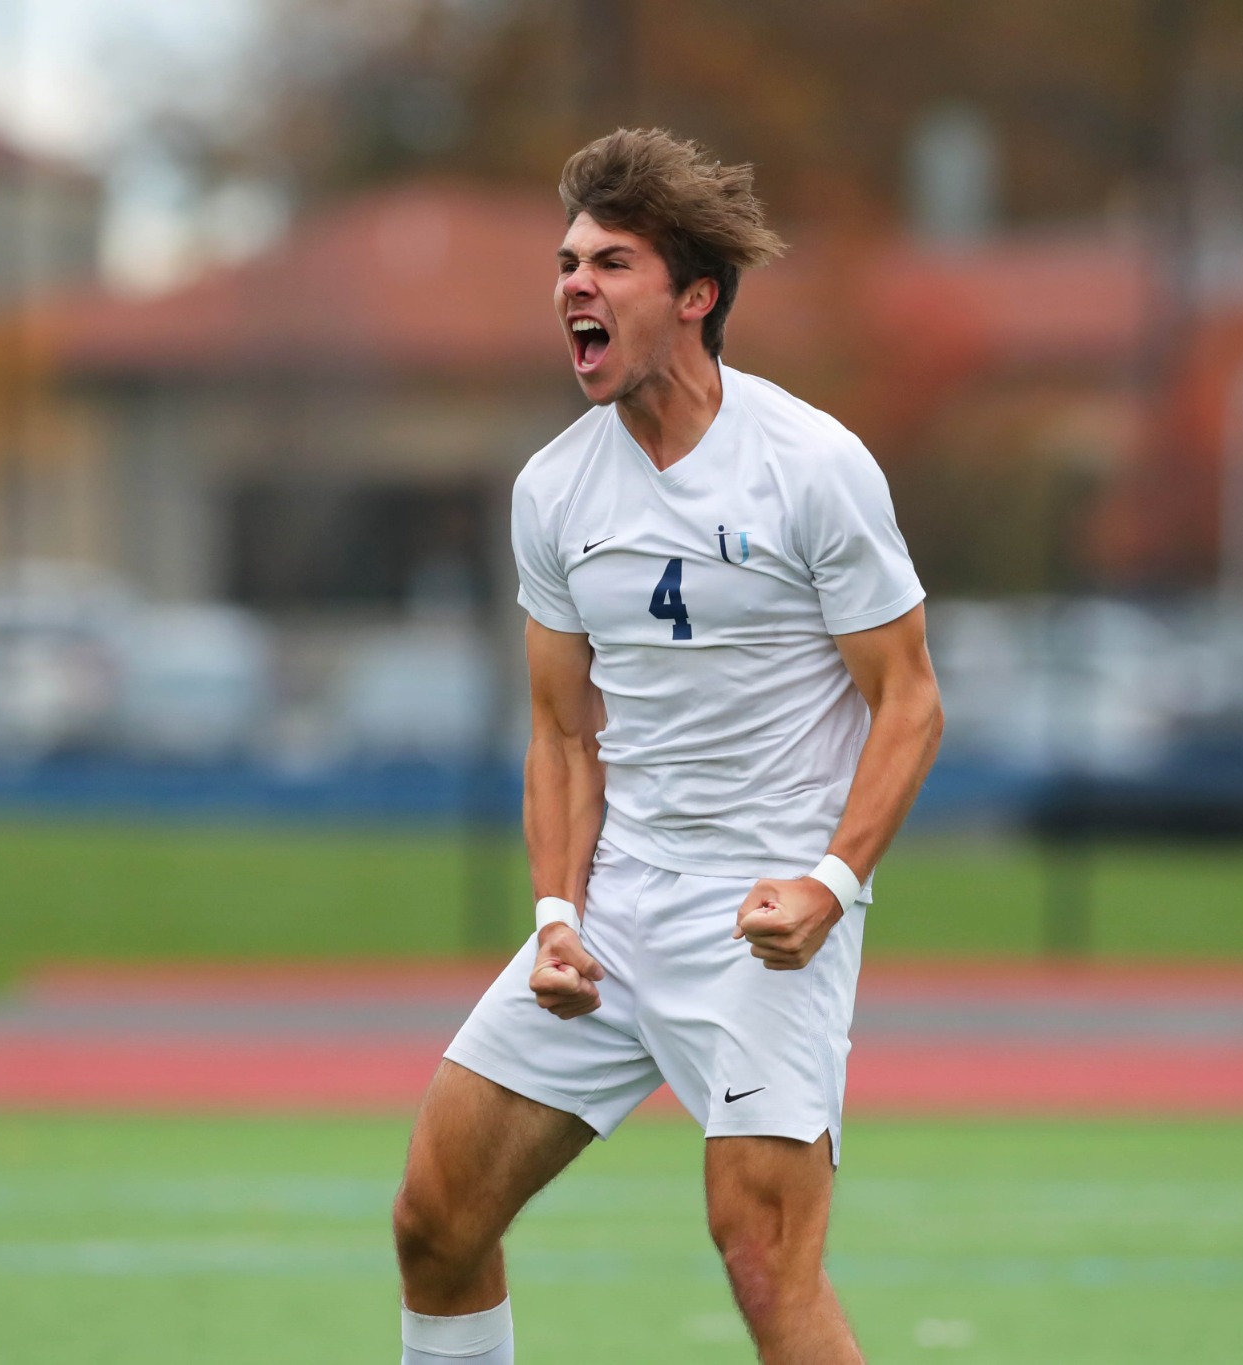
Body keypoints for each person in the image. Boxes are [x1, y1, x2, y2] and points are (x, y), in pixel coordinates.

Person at [392, 127, 943, 1364]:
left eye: (612, 263)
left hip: (767, 923)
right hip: (621, 909)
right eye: (567, 261)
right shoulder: (552, 490)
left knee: (761, 1262)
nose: (573, 285)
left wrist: (829, 886)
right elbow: (559, 726)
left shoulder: (810, 466)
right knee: (436, 1219)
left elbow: (908, 700)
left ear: (693, 296)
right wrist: (553, 913)